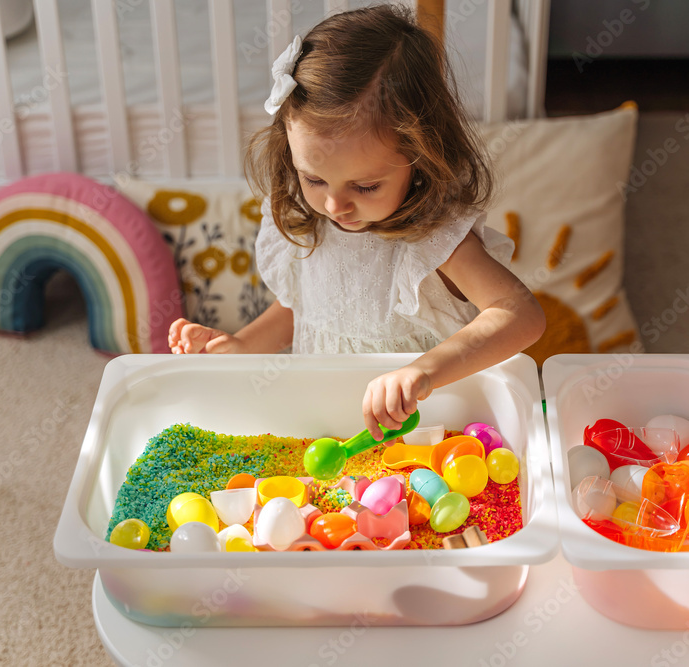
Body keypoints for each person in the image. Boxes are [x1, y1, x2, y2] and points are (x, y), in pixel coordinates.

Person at [168, 4, 544, 440]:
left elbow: (520, 314)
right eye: (313, 178)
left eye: (365, 187)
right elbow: (304, 308)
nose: (334, 205)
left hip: (431, 438)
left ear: (420, 158)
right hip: (327, 430)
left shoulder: (435, 238)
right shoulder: (311, 220)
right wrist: (243, 346)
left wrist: (423, 371)